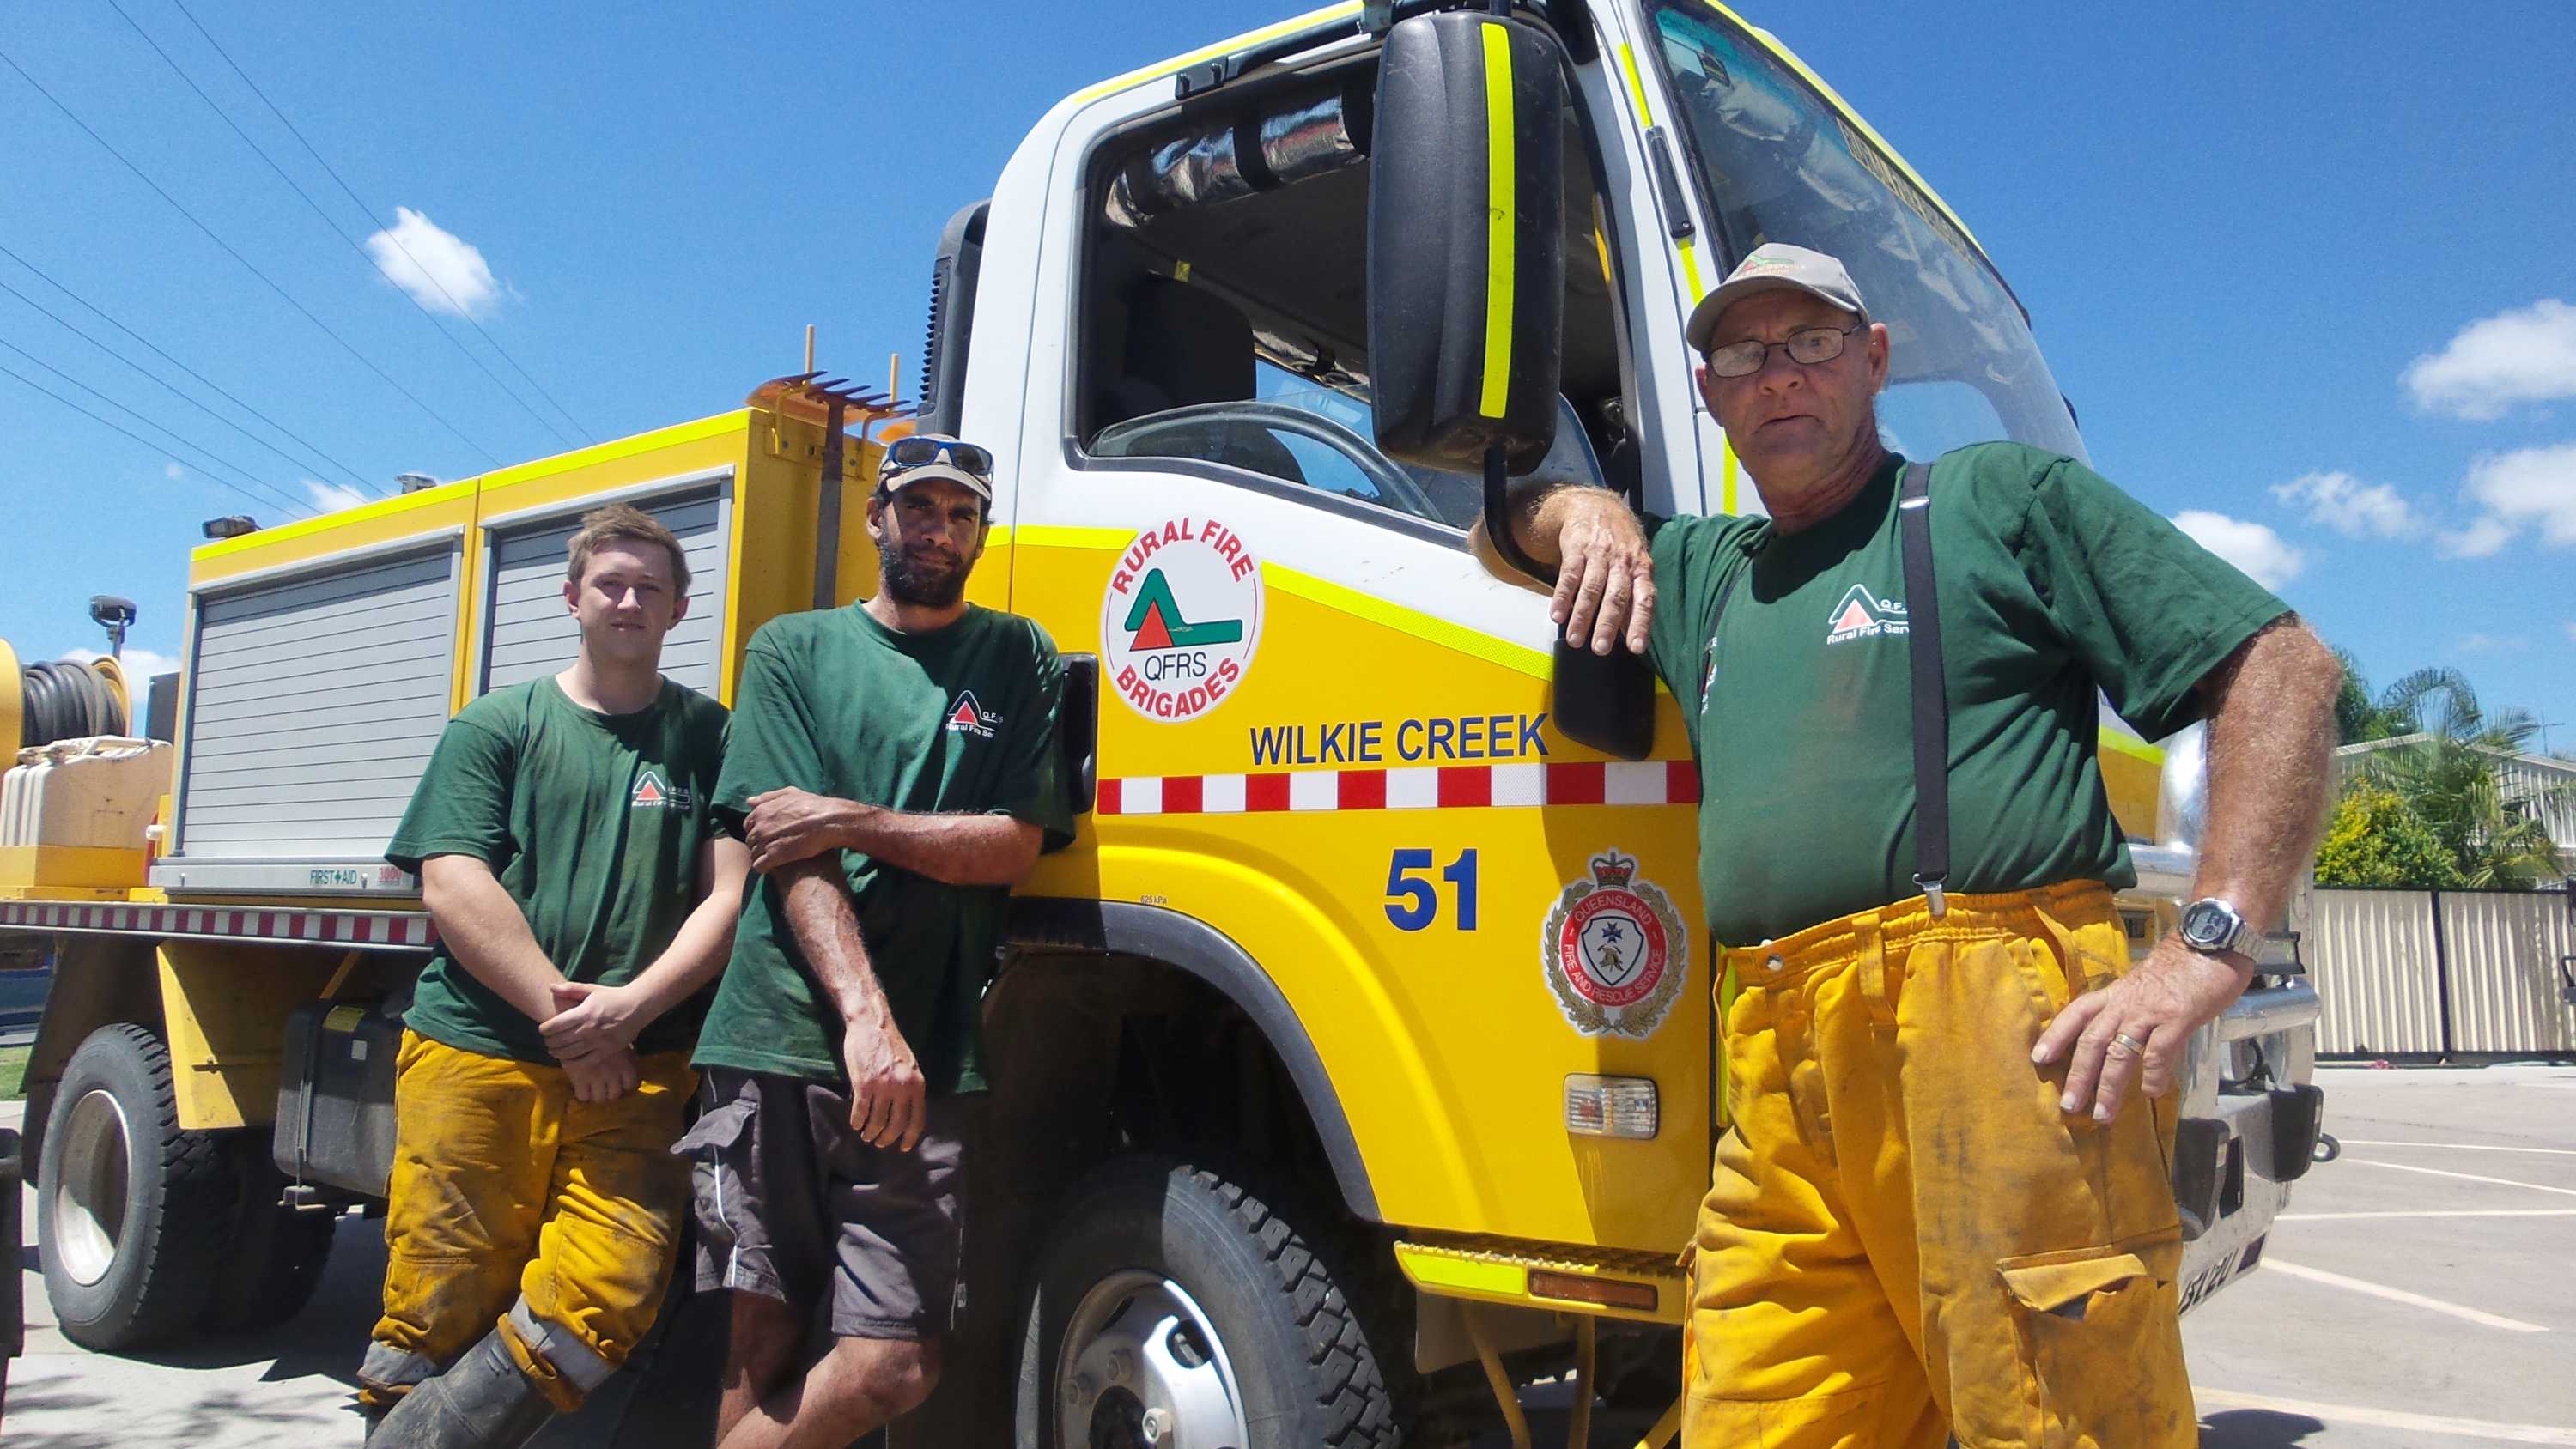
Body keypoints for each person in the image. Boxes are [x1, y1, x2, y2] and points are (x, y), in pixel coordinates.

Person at [1488, 243, 2343, 1448]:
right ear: (1709, 391)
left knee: (2051, 1420)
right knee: (1749, 1413)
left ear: (1875, 360)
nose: (1779, 375)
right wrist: (1588, 508)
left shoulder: (1997, 500)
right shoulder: (1702, 573)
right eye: (1744, 353)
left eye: (1813, 343)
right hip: (1775, 1063)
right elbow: (1505, 528)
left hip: (1994, 1039)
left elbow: (2283, 667)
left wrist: (2215, 940)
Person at [677, 434, 1074, 1449]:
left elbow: (1012, 845)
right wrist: (863, 1015)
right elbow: (780, 843)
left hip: (927, 1052)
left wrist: (849, 818)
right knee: (758, 1338)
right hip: (779, 1034)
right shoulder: (792, 649)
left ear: (983, 532)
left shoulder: (1018, 654)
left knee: (894, 1361)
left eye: (961, 514)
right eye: (918, 508)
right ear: (875, 518)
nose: (938, 531)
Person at [361, 505, 747, 1446]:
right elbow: (453, 880)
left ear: (681, 608)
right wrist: (568, 1019)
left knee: (605, 1293)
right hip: (478, 1054)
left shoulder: (711, 735)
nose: (628, 598)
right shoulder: (497, 725)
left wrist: (630, 1012)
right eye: (610, 582)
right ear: (571, 597)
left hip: (641, 1070)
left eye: (650, 586)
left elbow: (730, 897)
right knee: (439, 1299)